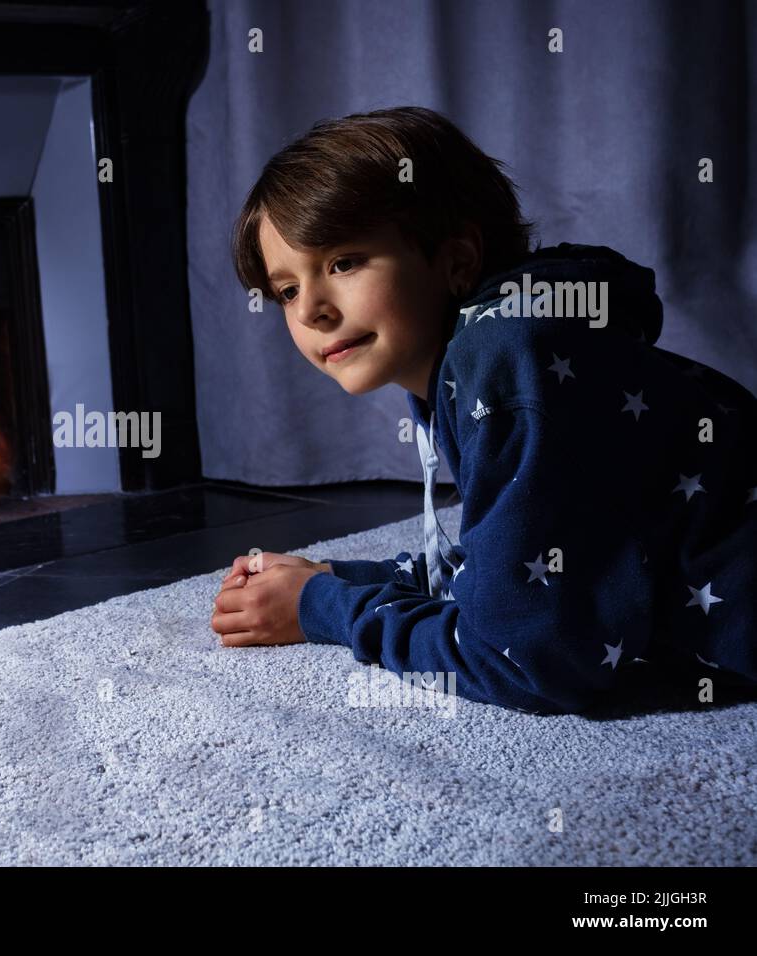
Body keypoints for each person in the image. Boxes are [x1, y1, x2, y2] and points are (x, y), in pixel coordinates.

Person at [209, 106, 757, 715]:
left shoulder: (506, 353)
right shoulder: (479, 354)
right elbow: (522, 565)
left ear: (457, 260)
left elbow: (523, 657)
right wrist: (339, 575)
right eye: (287, 290)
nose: (311, 308)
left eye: (343, 262)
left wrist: (325, 609)